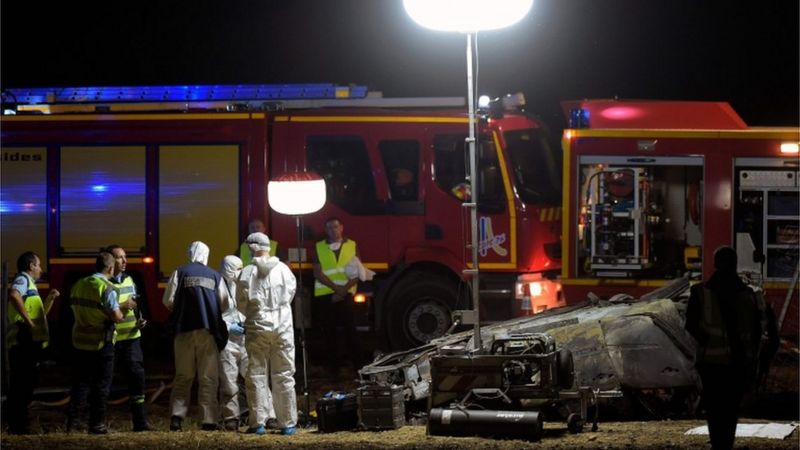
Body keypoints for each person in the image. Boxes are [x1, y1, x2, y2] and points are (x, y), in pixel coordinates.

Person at [685, 246, 763, 450]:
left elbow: (690, 325)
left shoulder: (700, 292)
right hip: (738, 363)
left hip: (711, 364)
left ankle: (718, 444)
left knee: (714, 410)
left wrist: (705, 342)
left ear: (715, 264)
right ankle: (726, 444)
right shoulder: (748, 294)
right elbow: (756, 330)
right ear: (735, 265)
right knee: (730, 410)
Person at [162, 241, 229, 432]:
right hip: (208, 332)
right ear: (206, 255)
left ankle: (176, 417)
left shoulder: (179, 272)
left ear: (189, 253)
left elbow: (168, 300)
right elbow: (225, 305)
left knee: (183, 376)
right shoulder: (215, 275)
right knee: (208, 377)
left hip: (183, 330)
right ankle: (208, 420)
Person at [236, 232, 298, 436]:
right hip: (283, 327)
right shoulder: (284, 270)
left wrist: (255, 313)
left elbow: (241, 303)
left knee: (256, 374)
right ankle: (287, 423)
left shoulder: (247, 273)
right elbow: (291, 293)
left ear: (252, 248)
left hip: (258, 327)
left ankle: (258, 423)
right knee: (284, 374)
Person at [67, 252, 126, 434]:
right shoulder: (106, 288)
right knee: (101, 384)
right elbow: (116, 316)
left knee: (80, 383)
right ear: (111, 268)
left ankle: (74, 423)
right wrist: (123, 310)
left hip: (79, 340)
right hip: (101, 342)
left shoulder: (79, 284)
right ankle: (96, 424)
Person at [218, 255, 277, 431]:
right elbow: (213, 314)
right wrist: (228, 326)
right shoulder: (217, 286)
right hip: (227, 340)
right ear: (226, 269)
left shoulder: (246, 283)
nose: (239, 271)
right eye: (235, 268)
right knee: (228, 381)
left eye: (240, 268)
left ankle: (269, 415)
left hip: (247, 337)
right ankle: (231, 417)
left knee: (257, 377)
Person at [6, 251, 60, 435]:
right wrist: (29, 323)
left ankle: (19, 425)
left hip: (28, 341)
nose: (41, 269)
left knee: (26, 383)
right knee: (21, 384)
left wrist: (50, 299)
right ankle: (17, 426)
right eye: (38, 265)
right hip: (22, 340)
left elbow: (40, 315)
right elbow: (14, 295)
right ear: (31, 266)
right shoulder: (22, 279)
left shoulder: (30, 285)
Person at [105, 245, 155, 431]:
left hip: (132, 338)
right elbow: (101, 310)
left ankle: (140, 422)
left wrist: (141, 320)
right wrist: (122, 306)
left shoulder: (129, 280)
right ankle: (99, 423)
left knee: (137, 378)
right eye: (120, 257)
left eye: (125, 256)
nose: (125, 261)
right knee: (105, 381)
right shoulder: (103, 283)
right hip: (110, 339)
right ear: (110, 261)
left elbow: (136, 305)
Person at [312, 217, 362, 371]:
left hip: (345, 294)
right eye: (329, 227)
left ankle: (357, 366)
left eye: (335, 226)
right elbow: (317, 273)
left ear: (341, 228)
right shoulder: (319, 247)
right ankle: (333, 369)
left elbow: (358, 271)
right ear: (326, 230)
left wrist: (342, 290)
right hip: (326, 295)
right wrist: (337, 289)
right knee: (329, 333)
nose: (333, 230)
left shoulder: (352, 245)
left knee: (351, 331)